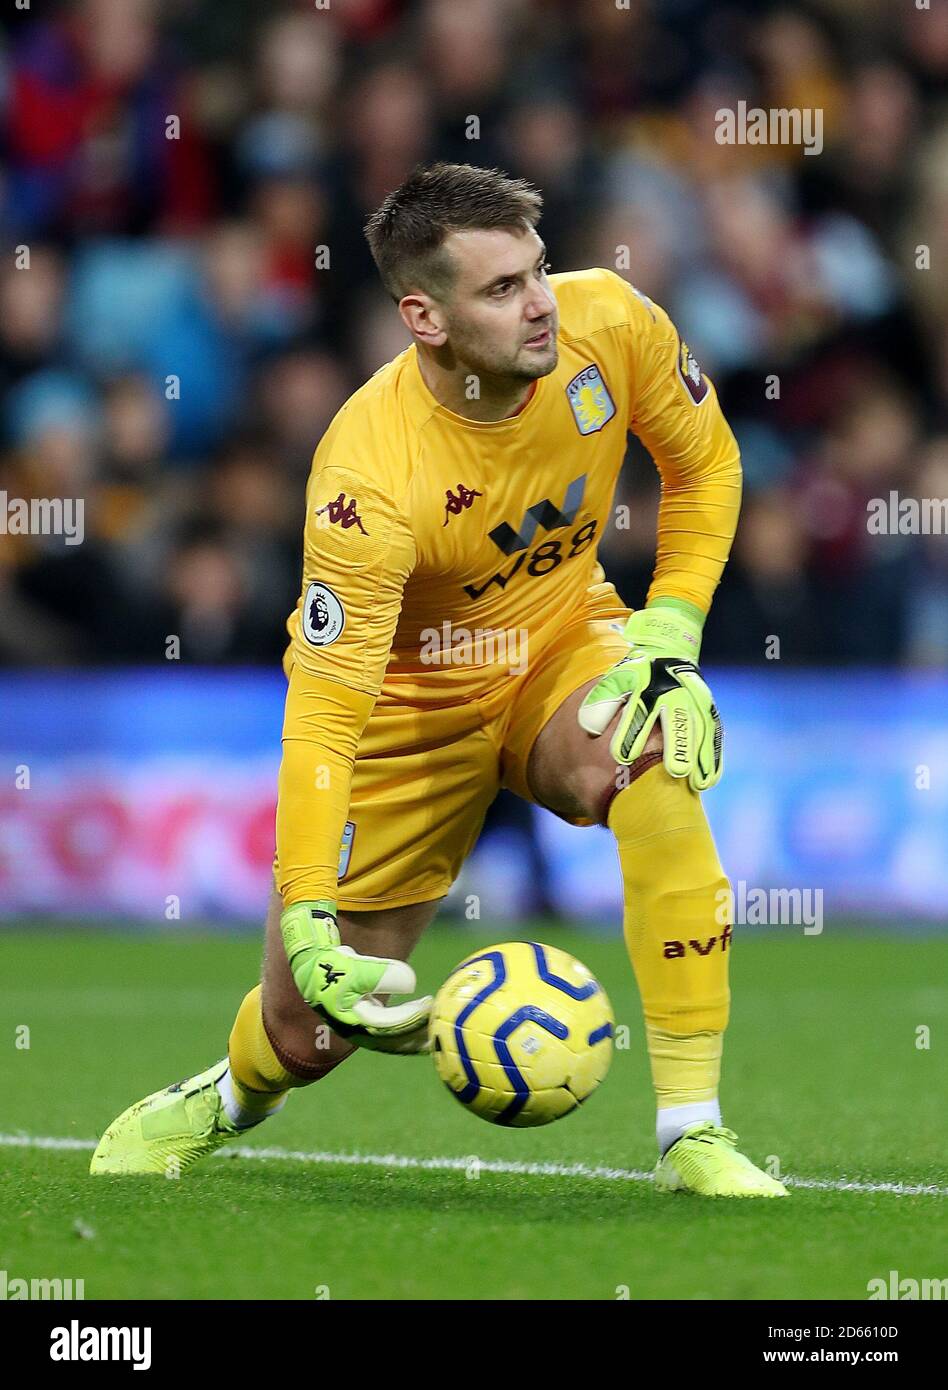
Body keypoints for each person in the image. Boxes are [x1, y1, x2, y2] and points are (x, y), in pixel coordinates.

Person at [92, 163, 785, 1197]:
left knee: (653, 755)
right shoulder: (368, 479)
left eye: (539, 270)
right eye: (502, 289)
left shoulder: (615, 325)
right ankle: (224, 1098)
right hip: (410, 714)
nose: (542, 302)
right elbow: (325, 716)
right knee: (309, 1033)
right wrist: (306, 914)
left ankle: (693, 1132)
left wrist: (670, 627)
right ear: (423, 314)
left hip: (560, 641)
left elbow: (706, 465)